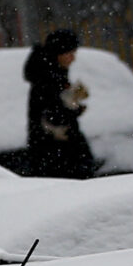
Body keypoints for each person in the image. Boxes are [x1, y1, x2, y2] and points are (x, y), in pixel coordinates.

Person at [23, 28, 95, 178]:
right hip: (55, 154)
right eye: (70, 53)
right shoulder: (47, 78)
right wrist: (73, 110)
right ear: (58, 53)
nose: (73, 58)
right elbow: (52, 116)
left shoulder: (53, 74)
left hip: (57, 153)